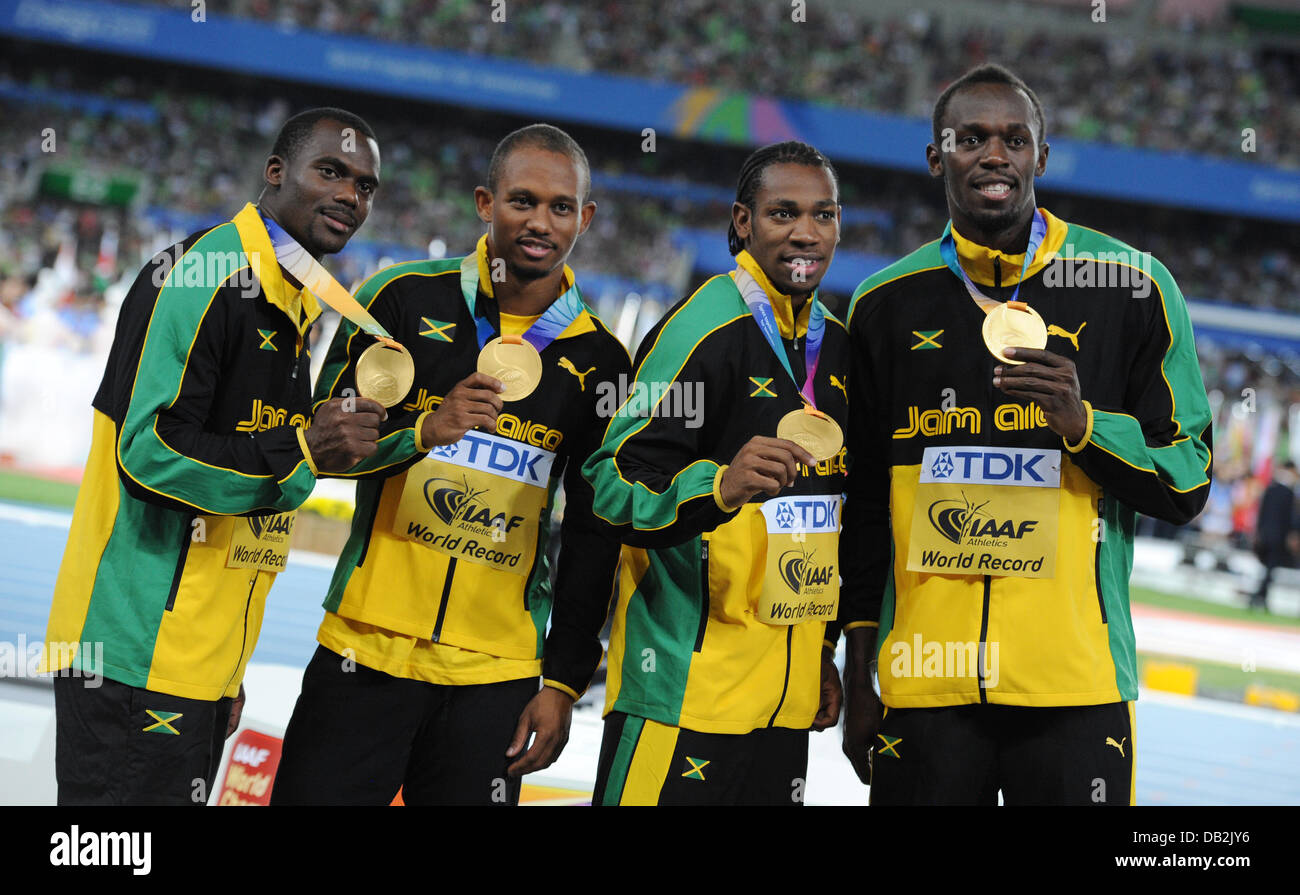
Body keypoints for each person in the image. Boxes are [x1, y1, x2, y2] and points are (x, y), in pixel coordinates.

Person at [838, 64, 1213, 806]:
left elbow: (1189, 476)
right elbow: (865, 508)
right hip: (924, 683)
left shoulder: (1134, 287)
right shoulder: (884, 303)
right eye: (970, 138)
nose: (994, 155)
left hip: (1074, 688)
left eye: (1016, 138)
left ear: (1042, 156)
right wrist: (859, 669)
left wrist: (1086, 428)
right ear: (936, 157)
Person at [269, 124, 630, 806]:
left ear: (584, 218)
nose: (540, 222)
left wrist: (562, 679)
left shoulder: (602, 361)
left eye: (561, 207)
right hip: (364, 651)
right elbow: (318, 449)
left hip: (495, 677)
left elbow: (591, 534)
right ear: (485, 203)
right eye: (522, 200)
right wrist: (422, 432)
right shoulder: (400, 300)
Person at [42, 107, 387, 805]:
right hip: (134, 659)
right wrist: (302, 448)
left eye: (366, 185)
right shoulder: (207, 274)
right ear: (275, 173)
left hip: (193, 667)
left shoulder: (293, 298)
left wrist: (224, 673)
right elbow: (147, 453)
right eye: (331, 171)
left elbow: (246, 487)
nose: (351, 195)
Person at [582, 142, 847, 806]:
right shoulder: (699, 329)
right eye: (784, 212)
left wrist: (824, 650)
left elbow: (831, 521)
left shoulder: (837, 348)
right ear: (742, 222)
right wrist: (717, 486)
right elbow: (608, 480)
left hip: (785, 709)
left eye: (825, 214)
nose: (806, 232)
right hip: (684, 694)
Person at [1249, 461, 1296, 611]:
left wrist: (1258, 532)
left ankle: (1261, 596)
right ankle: (1259, 595)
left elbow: (1261, 513)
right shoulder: (1289, 493)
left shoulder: (1270, 489)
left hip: (1265, 535)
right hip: (1278, 537)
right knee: (1270, 568)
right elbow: (1290, 518)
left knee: (1267, 568)